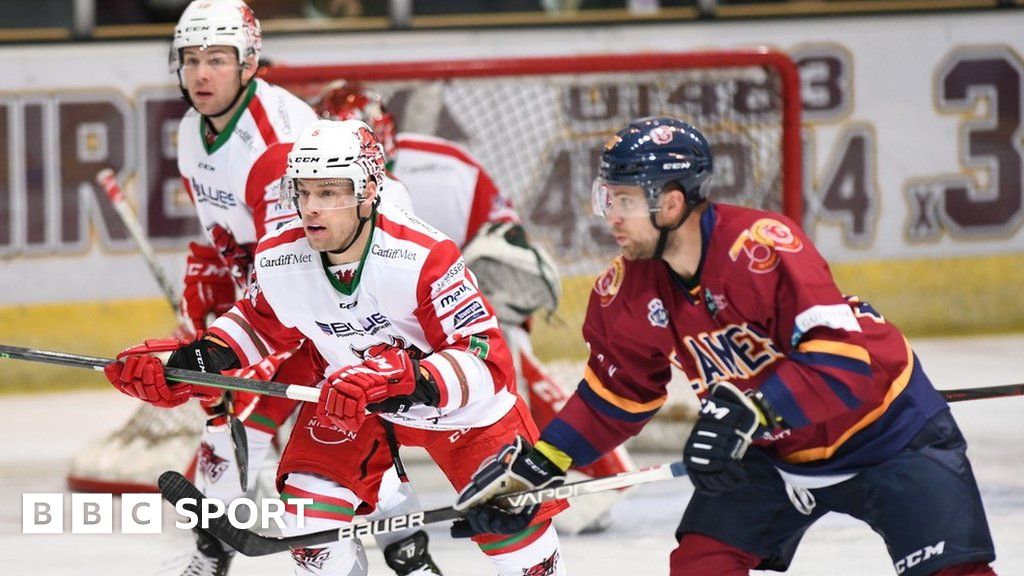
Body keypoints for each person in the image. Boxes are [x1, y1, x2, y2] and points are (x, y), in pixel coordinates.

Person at [453, 116, 999, 576]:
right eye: (607, 198)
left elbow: (844, 359)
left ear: (669, 203)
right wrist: (542, 463)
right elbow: (617, 394)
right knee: (701, 565)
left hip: (888, 433)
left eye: (623, 200)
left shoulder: (761, 249)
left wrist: (754, 408)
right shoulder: (626, 289)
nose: (610, 216)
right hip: (769, 453)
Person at [105, 119, 568, 576]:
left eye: (328, 193)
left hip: (463, 414)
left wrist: (413, 378)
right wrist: (186, 363)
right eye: (303, 192)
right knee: (310, 529)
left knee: (520, 548)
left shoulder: (423, 257)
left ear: (368, 192)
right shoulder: (282, 258)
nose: (310, 208)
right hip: (357, 406)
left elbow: (487, 361)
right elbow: (257, 324)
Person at [159, 1, 432, 574]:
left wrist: (242, 339)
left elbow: (303, 257)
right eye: (190, 59)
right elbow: (227, 239)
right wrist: (211, 289)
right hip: (276, 305)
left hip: (322, 310)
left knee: (320, 433)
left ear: (249, 62)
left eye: (217, 59)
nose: (201, 74)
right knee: (239, 434)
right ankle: (216, 555)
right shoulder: (192, 129)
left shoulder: (275, 140)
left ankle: (402, 553)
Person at [311, 84, 635, 517]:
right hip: (368, 324)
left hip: (451, 309)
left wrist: (476, 288)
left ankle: (594, 470)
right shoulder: (305, 189)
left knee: (499, 357)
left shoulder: (446, 167)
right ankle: (324, 484)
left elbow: (506, 236)